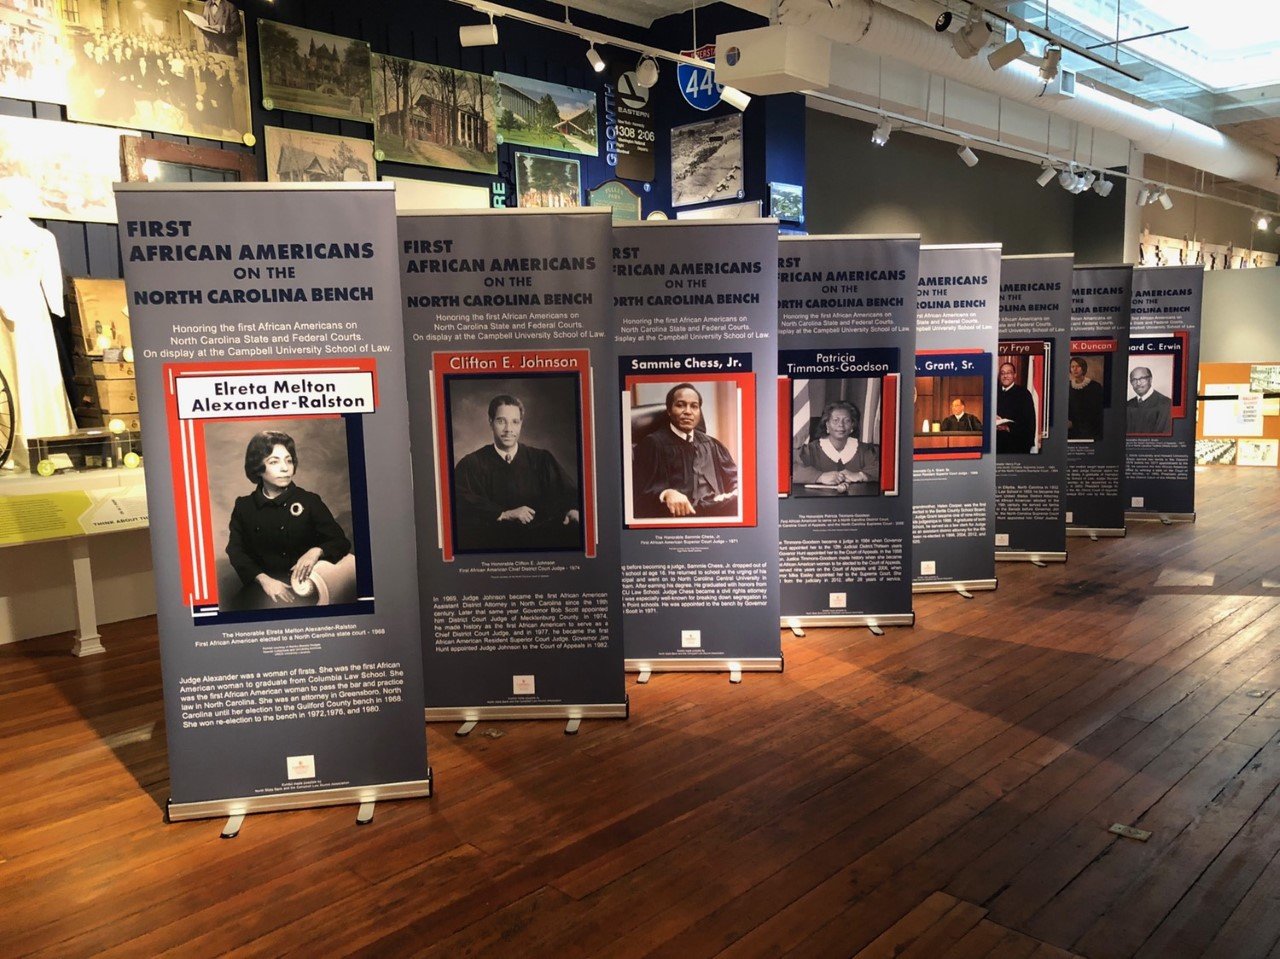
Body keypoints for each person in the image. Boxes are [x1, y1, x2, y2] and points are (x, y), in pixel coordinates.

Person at [226, 430, 350, 609]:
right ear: (258, 467)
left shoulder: (309, 501)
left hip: (304, 589)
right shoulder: (244, 506)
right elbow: (236, 551)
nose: (285, 468)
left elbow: (340, 541)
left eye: (289, 460)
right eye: (274, 461)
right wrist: (264, 580)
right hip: (262, 588)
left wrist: (316, 551)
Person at [452, 394, 581, 551]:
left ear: (521, 424)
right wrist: (504, 513)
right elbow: (459, 501)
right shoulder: (471, 464)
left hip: (540, 546)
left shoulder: (542, 459)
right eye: (501, 421)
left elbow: (567, 492)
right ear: (491, 422)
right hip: (492, 549)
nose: (508, 429)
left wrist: (571, 509)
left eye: (515, 422)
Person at [632, 383, 738, 518]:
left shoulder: (712, 445)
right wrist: (666, 493)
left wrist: (737, 489)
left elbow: (734, 479)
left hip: (719, 511)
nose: (688, 411)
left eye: (694, 406)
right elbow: (639, 494)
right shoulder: (652, 445)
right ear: (669, 410)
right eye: (680, 405)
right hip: (683, 517)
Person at [792, 400, 879, 495]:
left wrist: (860, 475)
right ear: (827, 425)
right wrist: (820, 477)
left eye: (846, 420)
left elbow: (883, 467)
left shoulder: (864, 450)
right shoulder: (811, 450)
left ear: (852, 426)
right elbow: (790, 468)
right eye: (835, 420)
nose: (841, 425)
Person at [995, 362, 1037, 454]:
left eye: (1009, 373)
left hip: (1015, 445)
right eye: (1002, 373)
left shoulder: (1024, 394)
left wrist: (1008, 428)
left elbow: (1029, 423)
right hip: (996, 445)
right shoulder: (994, 392)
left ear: (1015, 375)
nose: (1005, 376)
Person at [1127, 365, 1172, 434]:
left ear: (1150, 380)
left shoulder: (1166, 403)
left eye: (1142, 379)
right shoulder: (1128, 405)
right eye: (1134, 380)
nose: (1138, 383)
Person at [1068, 354, 1104, 440]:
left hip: (1093, 429)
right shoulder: (1067, 386)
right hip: (1074, 429)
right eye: (1072, 367)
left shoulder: (1095, 386)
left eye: (1078, 366)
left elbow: (1099, 410)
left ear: (1083, 368)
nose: (1075, 369)